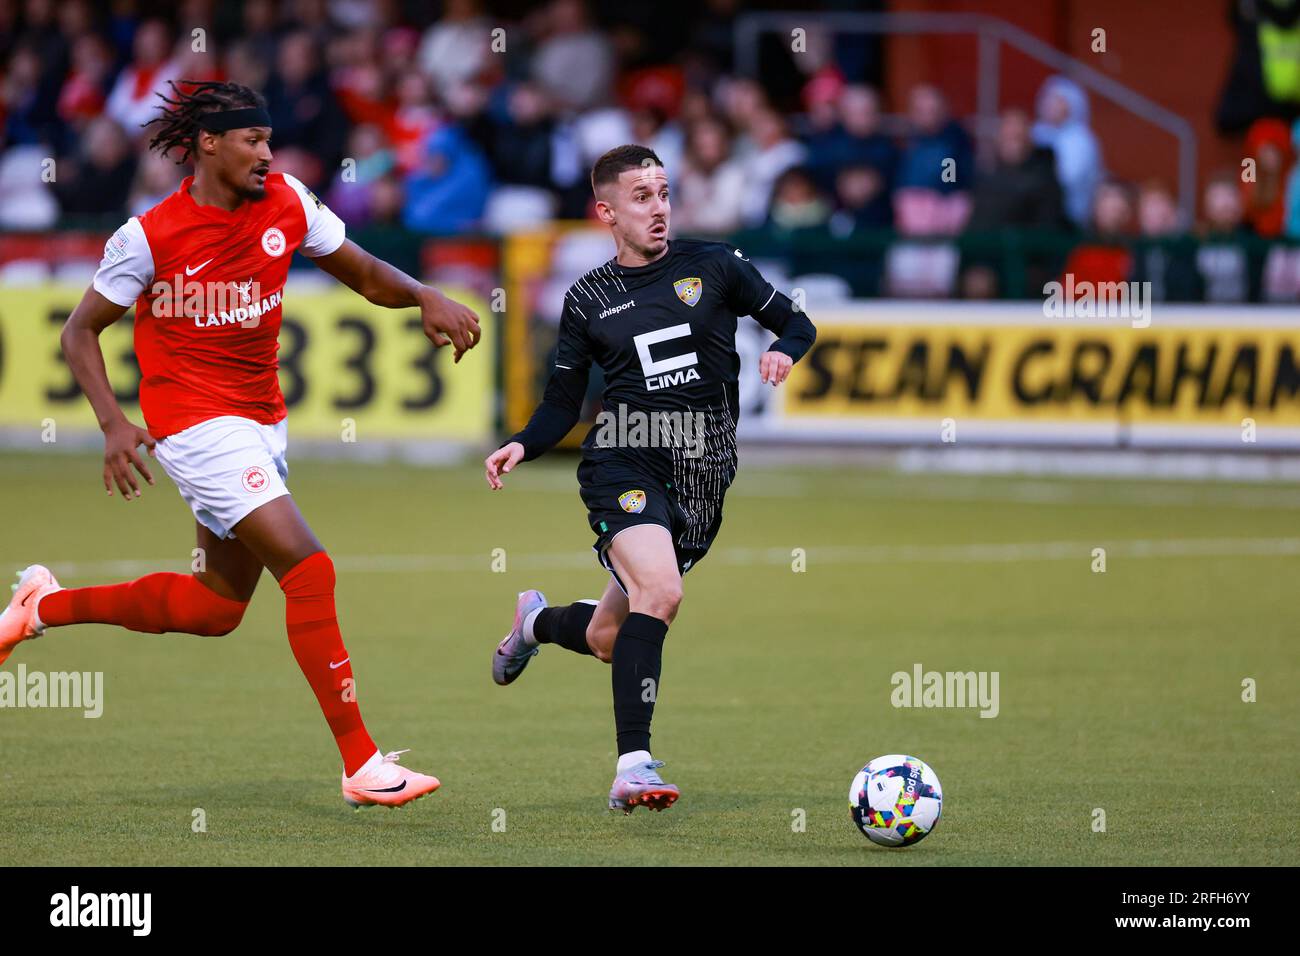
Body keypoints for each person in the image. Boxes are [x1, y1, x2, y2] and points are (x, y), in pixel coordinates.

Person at [0, 81, 482, 809]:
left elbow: (363, 274)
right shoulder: (149, 236)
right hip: (195, 426)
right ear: (208, 145)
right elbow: (78, 330)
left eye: (268, 140)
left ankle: (42, 607)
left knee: (213, 609)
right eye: (252, 141)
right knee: (309, 567)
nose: (267, 153)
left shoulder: (287, 200)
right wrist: (112, 422)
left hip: (261, 422)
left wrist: (424, 296)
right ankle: (362, 763)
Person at [482, 145, 816, 813]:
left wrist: (782, 348)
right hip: (623, 462)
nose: (658, 206)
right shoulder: (588, 299)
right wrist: (522, 442)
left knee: (610, 639)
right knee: (660, 592)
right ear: (607, 212)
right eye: (641, 196)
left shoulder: (717, 265)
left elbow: (796, 321)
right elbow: (562, 402)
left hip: (704, 476)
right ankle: (633, 765)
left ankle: (536, 624)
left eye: (664, 192)